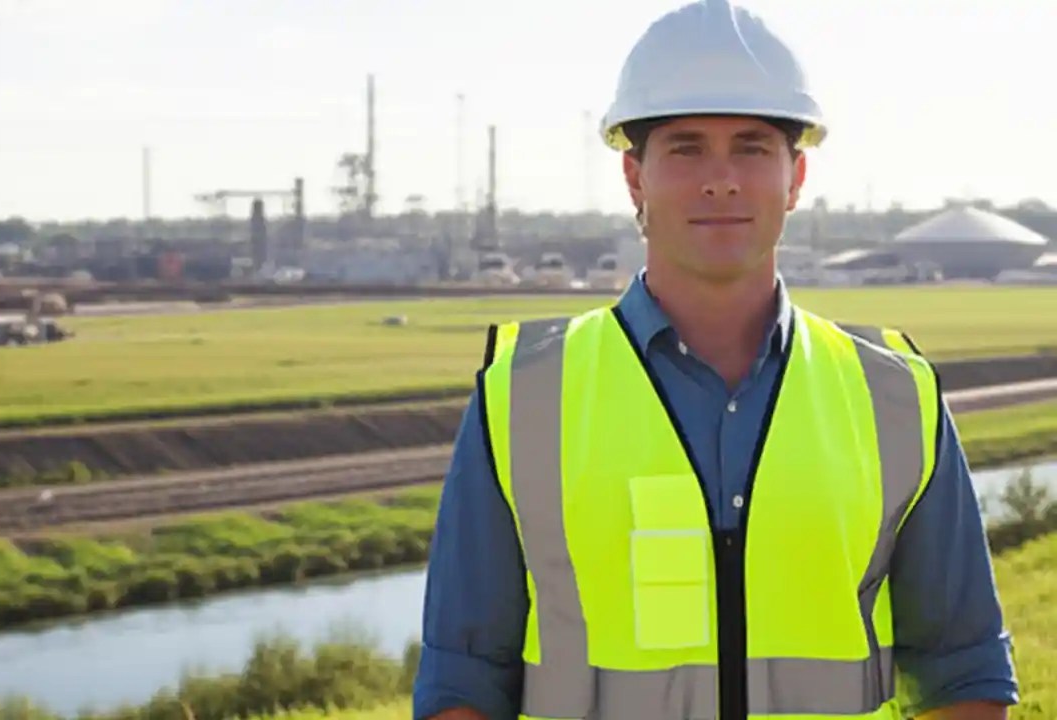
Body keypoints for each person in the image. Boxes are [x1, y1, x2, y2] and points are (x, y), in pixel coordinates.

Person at [410, 1, 1020, 718]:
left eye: (753, 147)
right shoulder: (524, 395)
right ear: (634, 176)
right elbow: (463, 680)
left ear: (796, 177)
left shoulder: (892, 395)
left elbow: (964, 668)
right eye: (688, 147)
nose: (721, 179)